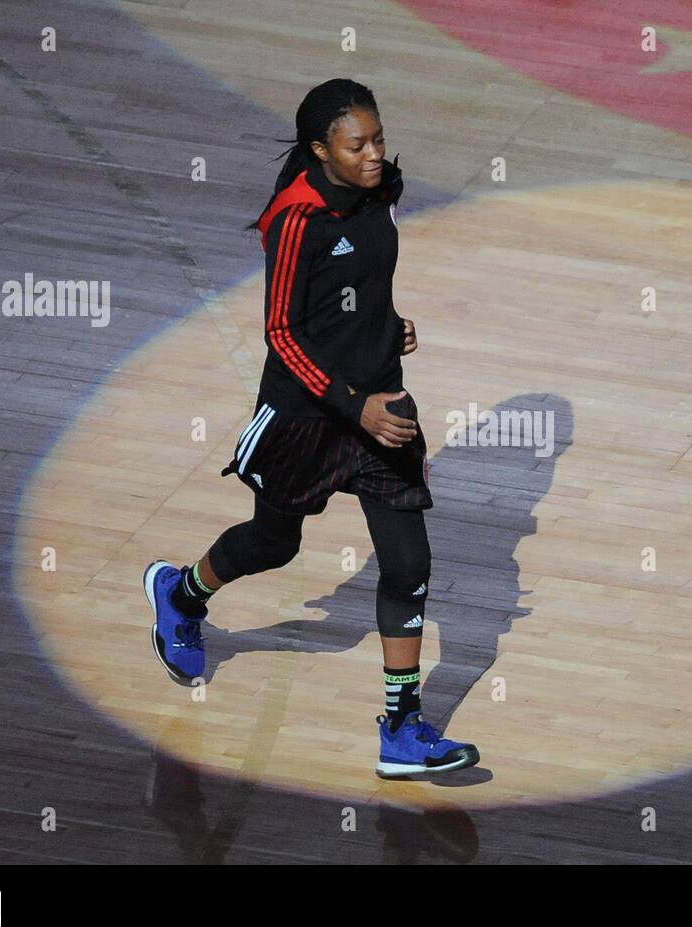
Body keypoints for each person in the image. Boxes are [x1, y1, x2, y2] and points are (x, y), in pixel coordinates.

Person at [142, 78, 478, 779]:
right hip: (307, 413)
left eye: (379, 138)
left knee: (409, 567)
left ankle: (402, 729)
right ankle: (180, 595)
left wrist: (389, 328)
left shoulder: (382, 192)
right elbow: (282, 333)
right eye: (358, 144)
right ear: (321, 148)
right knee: (274, 542)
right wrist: (350, 403)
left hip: (381, 409)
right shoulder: (296, 219)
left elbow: (363, 290)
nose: (375, 153)